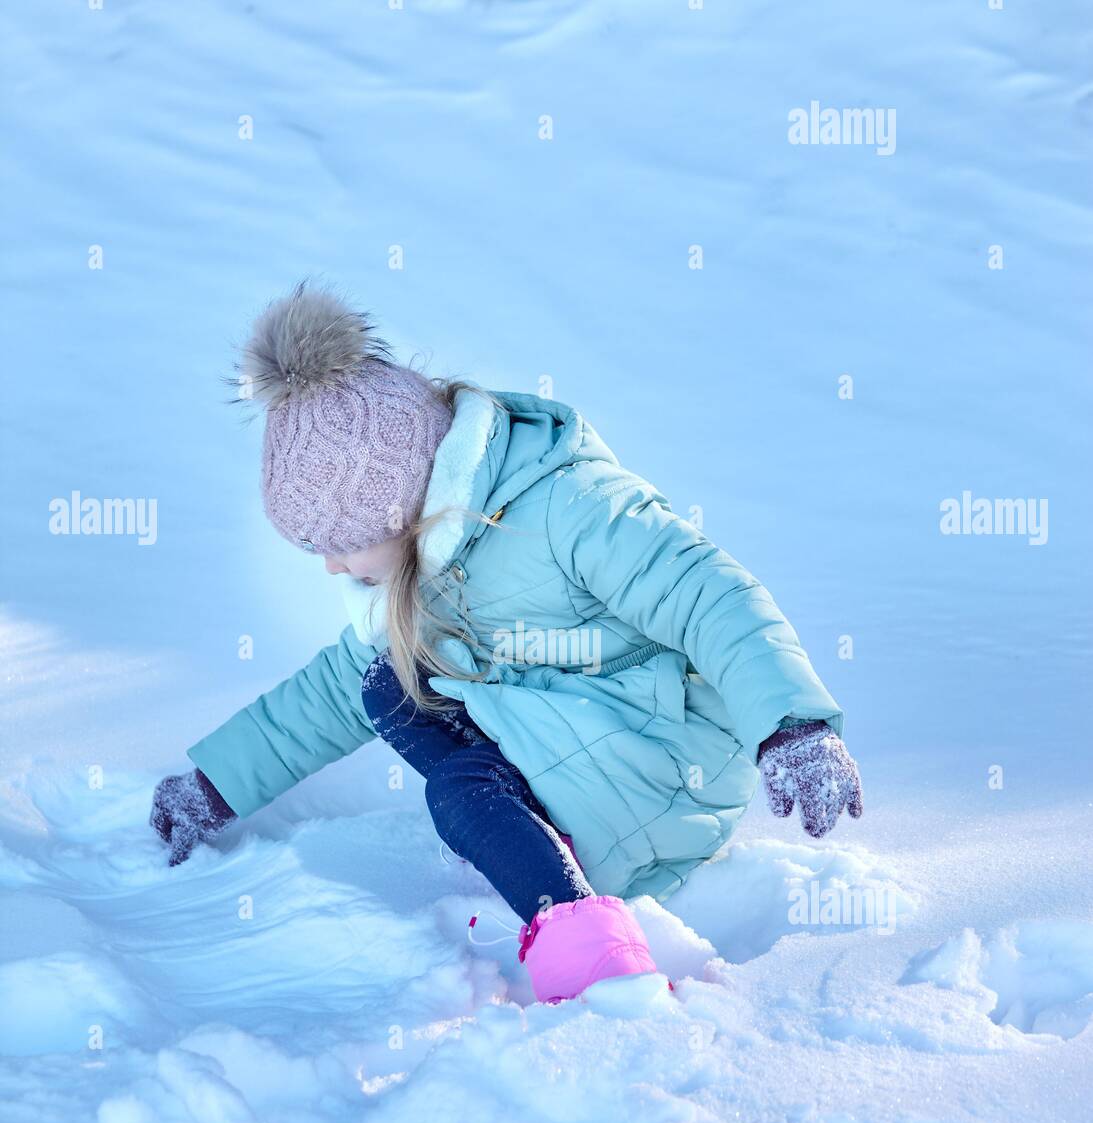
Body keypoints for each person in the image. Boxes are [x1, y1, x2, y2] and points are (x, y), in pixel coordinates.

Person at [151, 283, 862, 1004]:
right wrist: (215, 783)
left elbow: (707, 595)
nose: (332, 566)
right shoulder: (427, 554)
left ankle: (593, 957)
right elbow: (332, 689)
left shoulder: (568, 506)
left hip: (664, 765)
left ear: (398, 505)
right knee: (382, 681)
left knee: (459, 793)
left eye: (341, 544)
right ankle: (535, 837)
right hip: (579, 743)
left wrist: (790, 726)